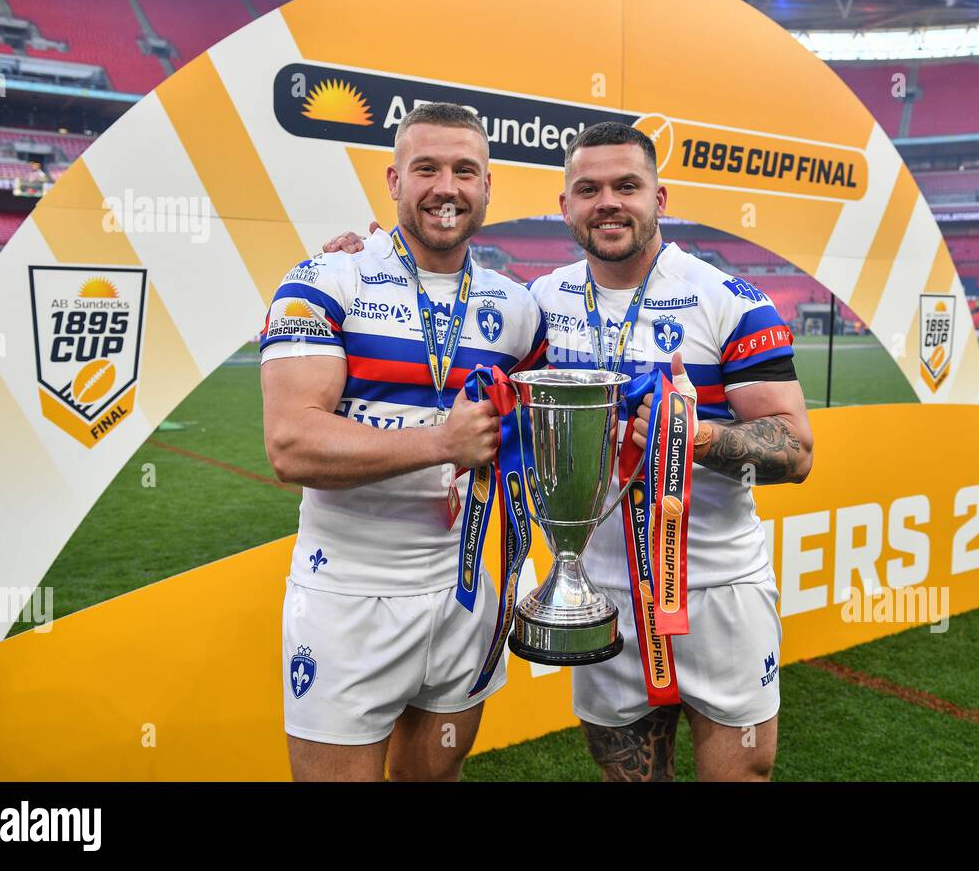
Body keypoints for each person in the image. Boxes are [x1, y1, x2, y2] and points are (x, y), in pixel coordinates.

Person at [326, 123, 812, 782]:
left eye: (627, 186)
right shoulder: (541, 304)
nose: (607, 202)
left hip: (715, 589)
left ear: (660, 198)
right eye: (588, 189)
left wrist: (692, 436)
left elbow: (796, 451)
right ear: (566, 207)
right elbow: (442, 305)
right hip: (594, 587)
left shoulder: (730, 303)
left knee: (741, 773)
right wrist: (357, 259)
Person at [262, 102, 546, 782]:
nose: (446, 187)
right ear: (393, 180)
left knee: (434, 777)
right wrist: (441, 442)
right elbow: (291, 444)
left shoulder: (519, 310)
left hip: (468, 595)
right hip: (349, 597)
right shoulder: (326, 280)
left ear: (486, 186)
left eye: (464, 171)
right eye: (427, 169)